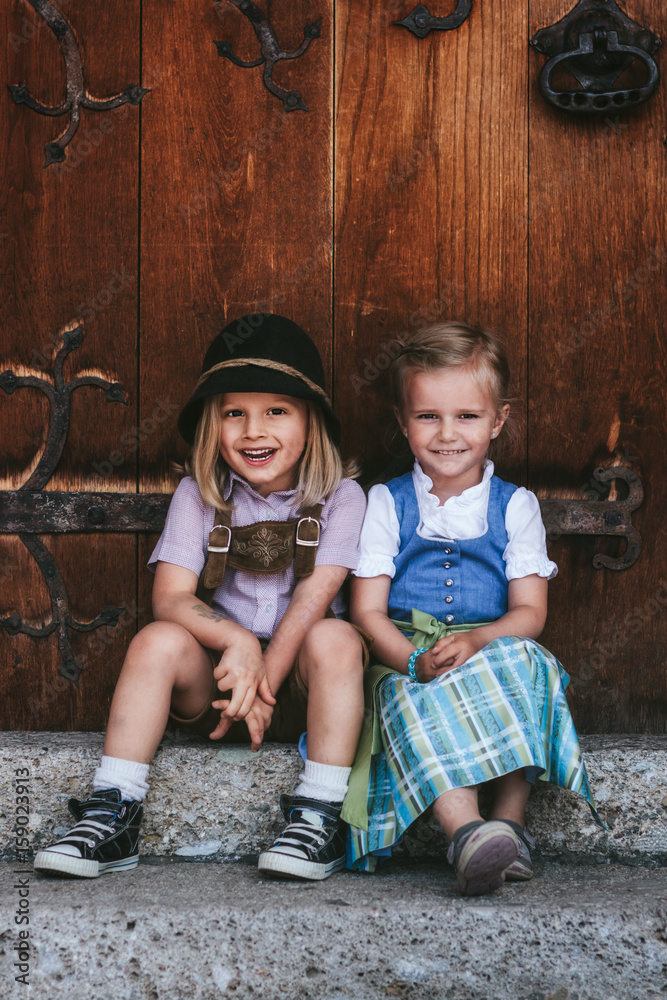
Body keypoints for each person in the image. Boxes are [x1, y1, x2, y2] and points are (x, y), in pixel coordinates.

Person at [34, 313, 370, 883]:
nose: (252, 431)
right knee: (157, 639)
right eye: (233, 413)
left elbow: (319, 593)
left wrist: (264, 679)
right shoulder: (199, 495)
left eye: (276, 412)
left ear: (312, 423)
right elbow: (171, 597)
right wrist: (236, 640)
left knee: (336, 637)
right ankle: (113, 809)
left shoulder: (342, 498)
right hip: (215, 685)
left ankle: (320, 814)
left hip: (303, 691)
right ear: (213, 426)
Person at [345, 321, 599, 896]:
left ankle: (510, 824)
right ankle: (466, 832)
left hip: (490, 643)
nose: (447, 435)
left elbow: (530, 611)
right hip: (408, 652)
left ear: (498, 420)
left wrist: (480, 642)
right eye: (427, 416)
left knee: (530, 662)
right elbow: (367, 612)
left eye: (467, 416)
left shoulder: (516, 506)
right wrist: (414, 661)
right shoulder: (386, 502)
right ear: (402, 420)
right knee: (408, 696)